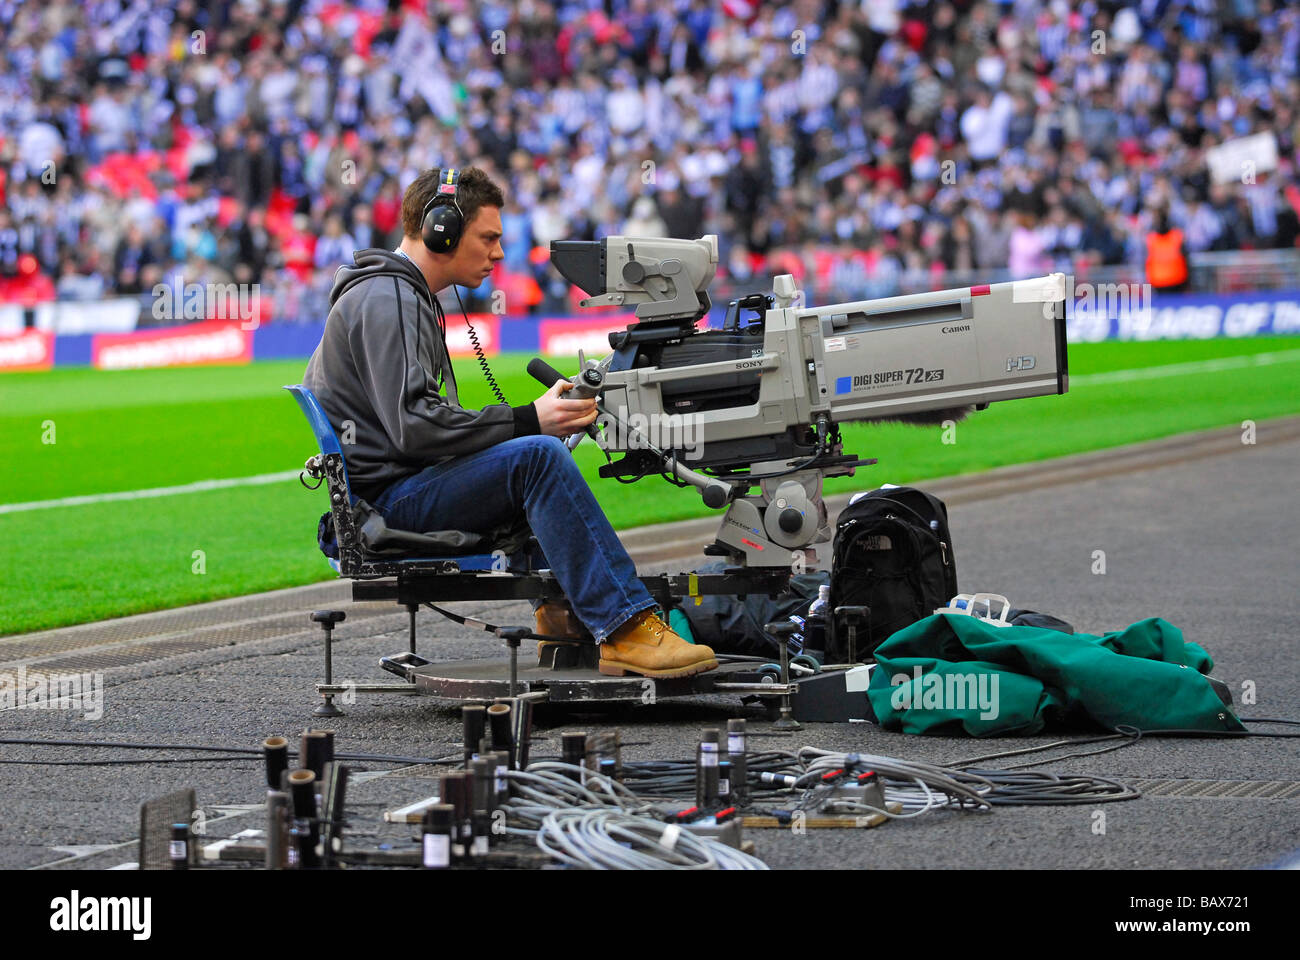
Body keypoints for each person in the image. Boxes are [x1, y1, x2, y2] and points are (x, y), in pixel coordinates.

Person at [303, 166, 717, 679]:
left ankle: (561, 621)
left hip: (393, 492)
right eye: (489, 238)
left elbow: (419, 428)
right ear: (441, 229)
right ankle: (625, 628)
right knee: (537, 460)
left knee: (533, 452)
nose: (499, 254)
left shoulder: (395, 293)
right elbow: (415, 427)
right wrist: (530, 421)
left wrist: (533, 420)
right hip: (387, 508)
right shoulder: (388, 298)